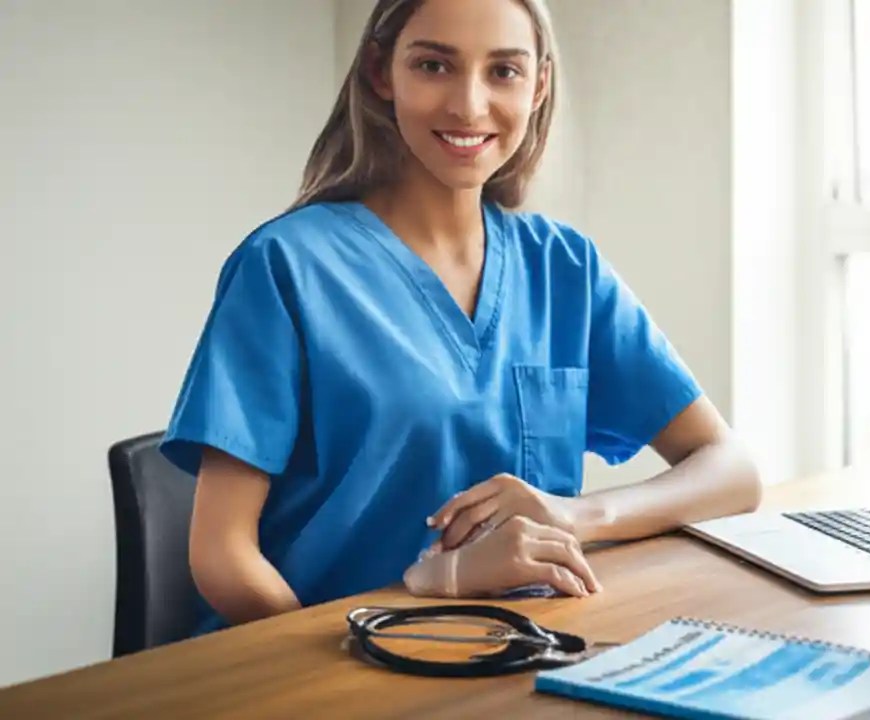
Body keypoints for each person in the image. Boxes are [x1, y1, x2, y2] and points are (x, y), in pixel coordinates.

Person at [159, 0, 762, 636]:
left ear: (539, 86)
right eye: (433, 65)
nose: (469, 107)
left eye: (504, 71)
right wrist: (372, 638)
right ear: (380, 73)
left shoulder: (563, 267)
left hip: (508, 654)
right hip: (326, 668)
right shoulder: (286, 265)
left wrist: (573, 515)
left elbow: (732, 471)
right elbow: (222, 558)